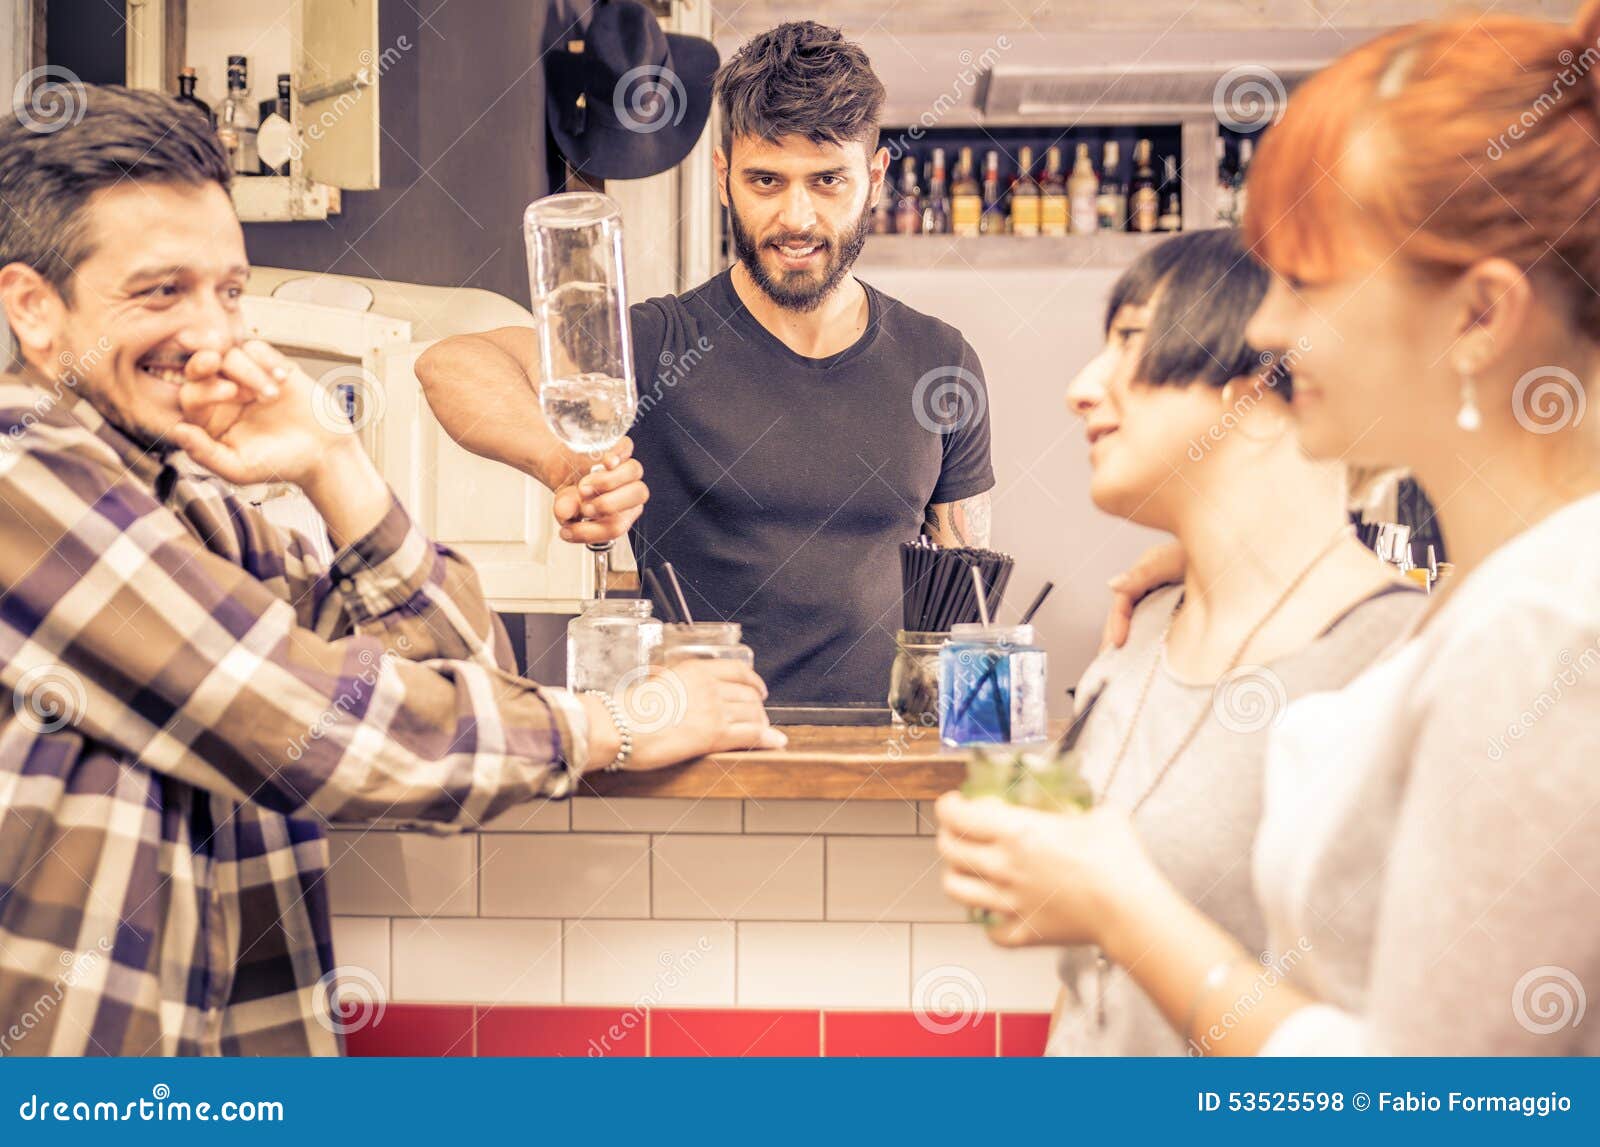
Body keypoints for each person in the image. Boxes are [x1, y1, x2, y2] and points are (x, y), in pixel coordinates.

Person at [0, 85, 780, 1057]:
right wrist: (620, 723)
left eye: (229, 291)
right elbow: (306, 720)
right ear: (33, 309)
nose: (212, 333)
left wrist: (336, 463)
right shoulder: (21, 480)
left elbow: (464, 670)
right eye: (161, 291)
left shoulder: (190, 508)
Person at [938, 0, 1600, 1055]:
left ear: (1478, 316)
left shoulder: (1546, 629)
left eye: (1306, 282)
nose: (1266, 329)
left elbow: (1445, 1109)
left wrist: (1123, 905)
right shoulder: (1491, 599)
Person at [417, 21, 996, 704]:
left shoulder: (941, 363)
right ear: (724, 178)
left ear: (873, 179)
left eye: (828, 181)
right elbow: (452, 364)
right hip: (698, 750)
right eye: (766, 180)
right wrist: (563, 463)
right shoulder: (654, 344)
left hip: (883, 754)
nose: (797, 217)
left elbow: (965, 612)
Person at [970, 228, 1422, 1056]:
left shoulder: (1394, 664)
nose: (1080, 389)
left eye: (1131, 341)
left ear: (1265, 386)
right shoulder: (1138, 631)